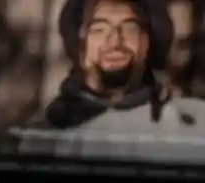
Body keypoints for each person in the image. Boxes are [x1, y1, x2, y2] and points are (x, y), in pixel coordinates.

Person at [13, 0, 205, 163]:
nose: (115, 41)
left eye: (130, 28)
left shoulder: (194, 128)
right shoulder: (37, 138)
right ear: (80, 47)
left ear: (147, 43)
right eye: (99, 29)